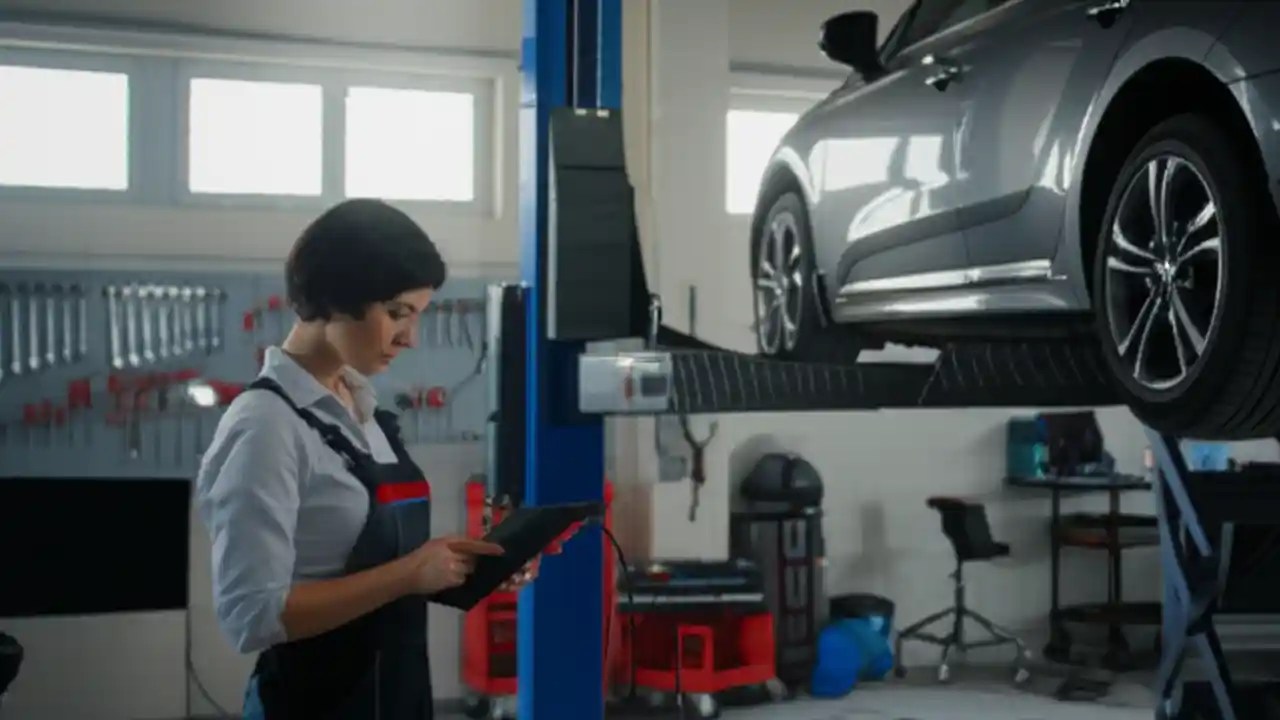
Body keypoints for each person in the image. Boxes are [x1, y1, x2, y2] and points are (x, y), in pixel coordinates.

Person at [195, 199, 541, 720]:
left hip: (394, 699)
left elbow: (380, 563)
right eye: (397, 313)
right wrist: (408, 574)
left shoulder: (362, 409)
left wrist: (472, 565)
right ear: (336, 298)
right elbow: (252, 616)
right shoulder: (266, 425)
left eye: (418, 316)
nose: (410, 337)